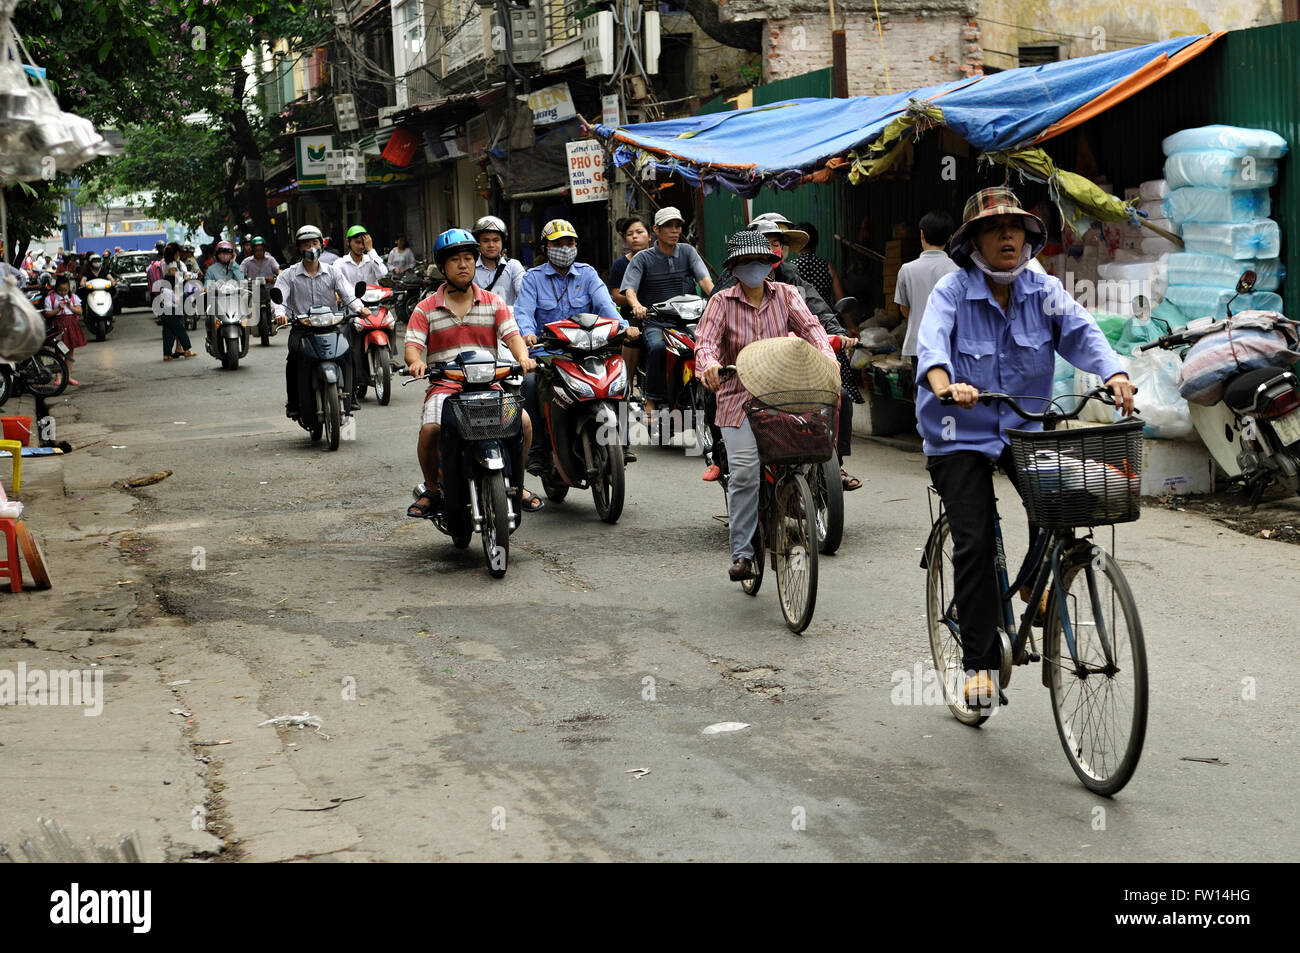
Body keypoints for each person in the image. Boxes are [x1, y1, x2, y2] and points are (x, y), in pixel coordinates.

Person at [917, 186, 1136, 707]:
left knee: (1062, 504)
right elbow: (931, 344)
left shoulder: (1042, 289)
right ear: (974, 242)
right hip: (958, 437)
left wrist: (1116, 373)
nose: (1008, 236)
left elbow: (1082, 332)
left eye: (1015, 228)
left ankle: (1039, 592)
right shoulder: (951, 292)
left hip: (1023, 429)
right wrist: (946, 383)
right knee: (973, 541)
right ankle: (978, 664)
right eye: (995, 229)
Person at [697, 230, 838, 581]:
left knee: (804, 456)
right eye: (745, 262)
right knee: (744, 473)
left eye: (760, 261)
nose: (754, 268)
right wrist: (710, 366)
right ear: (734, 268)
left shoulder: (787, 295)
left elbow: (812, 327)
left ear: (771, 264)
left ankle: (796, 499)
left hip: (784, 394)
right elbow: (705, 343)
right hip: (737, 399)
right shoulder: (721, 302)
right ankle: (743, 553)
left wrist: (827, 355)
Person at [703, 217, 859, 489]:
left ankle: (835, 461)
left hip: (786, 368)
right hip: (739, 379)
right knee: (714, 399)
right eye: (769, 243)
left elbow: (814, 315)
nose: (774, 250)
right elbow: (708, 336)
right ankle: (721, 457)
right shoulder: (725, 292)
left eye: (777, 245)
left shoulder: (788, 283)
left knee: (837, 395)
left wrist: (835, 338)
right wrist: (710, 364)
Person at [403, 228, 539, 518]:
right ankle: (432, 489)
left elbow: (513, 336)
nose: (463, 265)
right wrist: (416, 362)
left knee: (524, 423)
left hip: (488, 385)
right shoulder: (425, 308)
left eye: (468, 258)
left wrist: (523, 358)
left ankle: (518, 482)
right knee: (430, 431)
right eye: (455, 260)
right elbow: (413, 347)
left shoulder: (493, 302)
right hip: (445, 388)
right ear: (443, 267)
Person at [514, 219, 637, 472]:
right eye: (557, 243)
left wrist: (624, 327)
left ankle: (622, 442)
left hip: (589, 349)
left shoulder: (588, 274)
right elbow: (523, 312)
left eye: (569, 243)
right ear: (545, 248)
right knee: (528, 384)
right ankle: (537, 448)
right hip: (549, 352)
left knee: (619, 376)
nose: (565, 248)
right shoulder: (532, 279)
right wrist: (527, 334)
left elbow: (606, 306)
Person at [620, 206, 714, 416]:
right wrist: (636, 306)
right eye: (668, 226)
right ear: (656, 229)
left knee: (708, 345)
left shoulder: (688, 251)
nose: (674, 230)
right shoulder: (642, 258)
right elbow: (630, 290)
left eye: (677, 226)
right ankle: (652, 398)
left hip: (689, 319)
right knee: (657, 348)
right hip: (656, 322)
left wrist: (717, 299)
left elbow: (705, 281)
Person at [273, 225, 344, 419]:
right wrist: (281, 313)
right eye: (306, 244)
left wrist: (359, 308)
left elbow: (348, 293)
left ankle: (350, 395)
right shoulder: (288, 274)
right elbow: (279, 298)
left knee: (347, 353)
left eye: (315, 243)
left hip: (330, 325)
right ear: (299, 248)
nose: (311, 248)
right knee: (293, 360)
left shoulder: (333, 272)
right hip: (302, 328)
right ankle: (294, 403)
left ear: (322, 245)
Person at [896, 211, 959, 370]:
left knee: (921, 394)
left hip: (918, 345)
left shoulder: (906, 270)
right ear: (950, 237)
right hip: (949, 344)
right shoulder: (958, 270)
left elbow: (904, 310)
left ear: (922, 234)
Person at [607, 215, 652, 399]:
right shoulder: (620, 264)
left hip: (660, 314)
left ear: (650, 235)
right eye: (630, 234)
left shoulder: (659, 258)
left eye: (640, 232)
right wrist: (635, 299)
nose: (635, 237)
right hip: (632, 316)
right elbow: (617, 296)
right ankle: (627, 384)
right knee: (632, 335)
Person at [332, 224, 388, 316]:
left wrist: (370, 250)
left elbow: (383, 273)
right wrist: (336, 294)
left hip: (373, 307)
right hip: (350, 310)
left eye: (364, 243)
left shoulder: (371, 260)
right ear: (348, 242)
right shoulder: (339, 264)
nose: (361, 246)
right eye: (357, 242)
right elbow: (334, 283)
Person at [154, 243, 197, 359]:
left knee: (168, 328)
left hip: (165, 296)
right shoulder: (173, 264)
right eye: (178, 252)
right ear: (176, 253)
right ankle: (187, 349)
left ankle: (167, 353)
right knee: (178, 326)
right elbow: (174, 276)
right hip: (172, 297)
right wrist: (183, 278)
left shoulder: (163, 262)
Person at [471, 216, 525, 307]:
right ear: (478, 243)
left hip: (507, 319)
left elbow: (525, 295)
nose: (491, 245)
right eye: (485, 240)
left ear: (502, 243)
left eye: (496, 240)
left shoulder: (513, 266)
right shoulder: (470, 268)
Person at [790, 222, 846, 309]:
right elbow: (841, 301)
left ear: (797, 245)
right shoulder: (828, 267)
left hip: (800, 321)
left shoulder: (790, 267)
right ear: (816, 244)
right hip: (825, 319)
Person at [43, 274, 86, 368]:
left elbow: (80, 311)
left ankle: (69, 375)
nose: (63, 293)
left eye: (65, 290)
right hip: (58, 326)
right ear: (56, 288)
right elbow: (47, 314)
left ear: (69, 288)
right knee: (59, 351)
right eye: (60, 290)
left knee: (70, 350)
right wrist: (58, 309)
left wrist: (70, 307)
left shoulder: (73, 297)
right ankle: (59, 376)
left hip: (71, 325)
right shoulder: (50, 298)